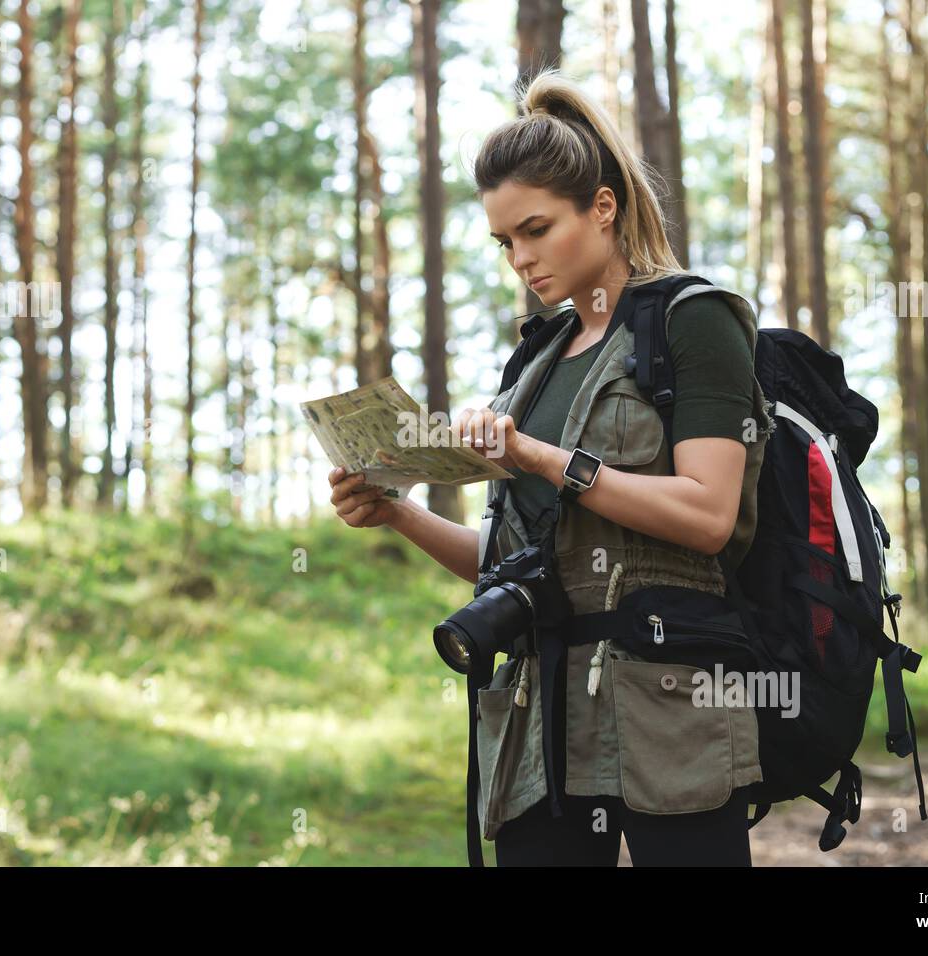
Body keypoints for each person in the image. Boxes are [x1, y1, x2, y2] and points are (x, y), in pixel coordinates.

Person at [327, 67, 773, 866]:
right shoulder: (531, 365)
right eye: (504, 241)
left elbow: (709, 515)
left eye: (536, 229)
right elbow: (506, 566)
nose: (519, 259)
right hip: (537, 726)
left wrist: (541, 456)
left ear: (602, 207)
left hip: (670, 709)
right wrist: (395, 511)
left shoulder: (693, 322)